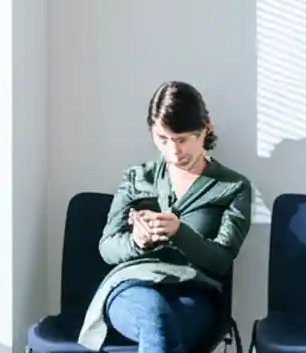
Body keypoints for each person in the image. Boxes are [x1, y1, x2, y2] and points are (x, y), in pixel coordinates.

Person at [77, 81, 254, 353]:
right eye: (163, 139)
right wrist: (138, 241)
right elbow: (108, 247)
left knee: (163, 325)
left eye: (182, 140)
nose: (174, 152)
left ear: (205, 129)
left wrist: (180, 233)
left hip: (193, 292)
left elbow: (220, 260)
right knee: (155, 315)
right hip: (132, 287)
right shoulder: (137, 178)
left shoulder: (232, 187)